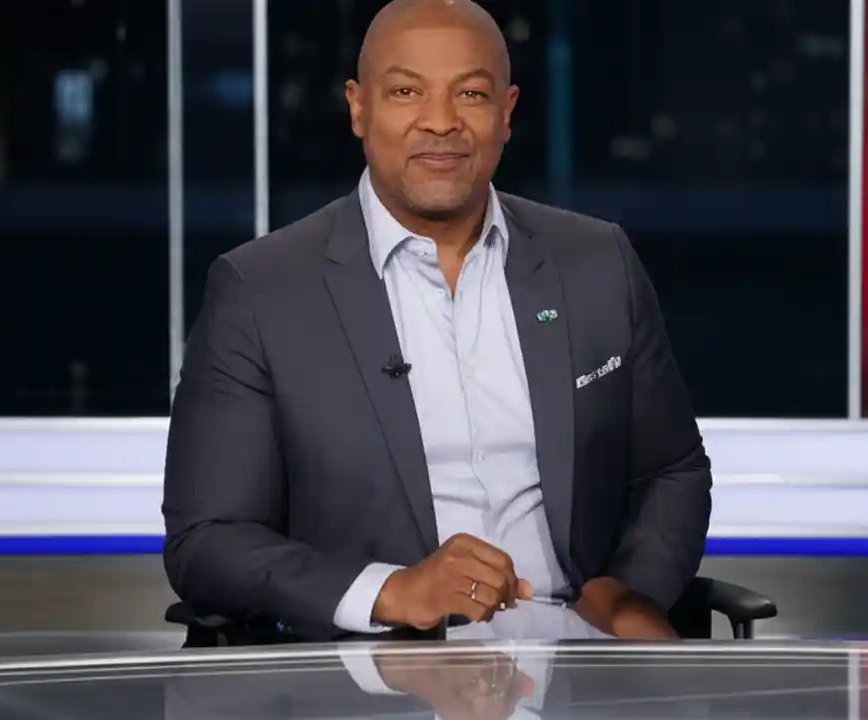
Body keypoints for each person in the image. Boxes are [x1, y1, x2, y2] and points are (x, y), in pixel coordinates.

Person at [161, 0, 711, 642]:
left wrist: (627, 597)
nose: (441, 122)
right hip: (369, 677)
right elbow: (208, 541)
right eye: (405, 91)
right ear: (358, 107)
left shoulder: (596, 263)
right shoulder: (260, 290)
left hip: (577, 660)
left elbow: (671, 470)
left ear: (506, 113)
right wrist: (391, 591)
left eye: (470, 94)